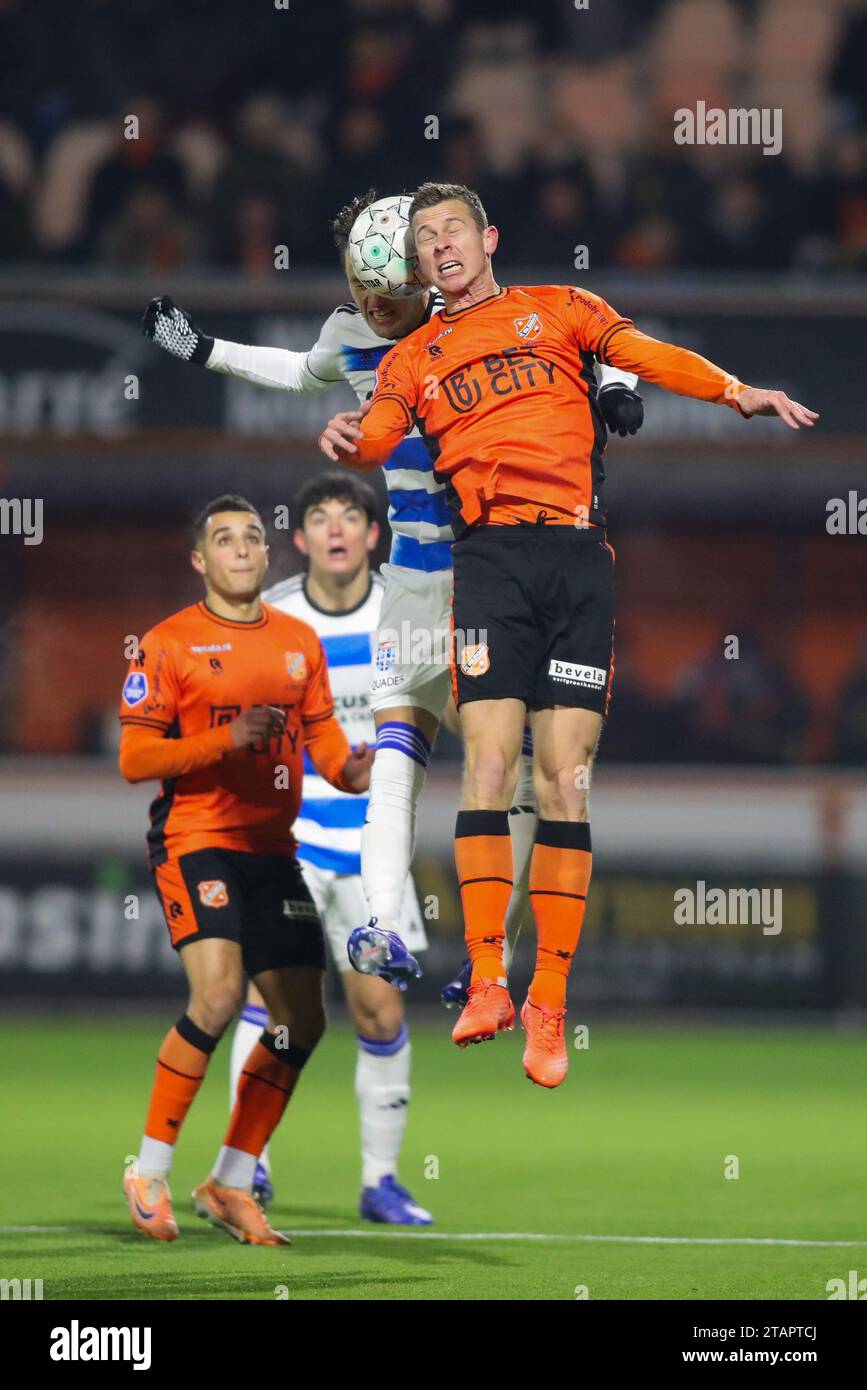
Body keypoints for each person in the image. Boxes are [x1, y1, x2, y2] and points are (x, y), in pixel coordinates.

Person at [318, 179, 818, 1089]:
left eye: (453, 230)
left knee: (563, 783)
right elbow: (379, 434)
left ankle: (548, 1001)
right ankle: (484, 979)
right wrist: (348, 439)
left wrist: (735, 392)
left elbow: (648, 354)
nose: (441, 246)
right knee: (485, 766)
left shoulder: (561, 309)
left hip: (577, 561)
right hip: (491, 564)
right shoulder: (411, 357)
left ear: (487, 237)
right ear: (419, 261)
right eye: (426, 237)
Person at [140, 189, 645, 1004]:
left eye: (393, 298)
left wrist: (617, 385)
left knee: (515, 774)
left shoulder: (475, 318)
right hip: (415, 577)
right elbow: (301, 371)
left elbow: (594, 332)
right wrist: (199, 348)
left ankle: (491, 961)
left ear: (424, 280)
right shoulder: (349, 333)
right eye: (364, 295)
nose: (377, 311)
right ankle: (382, 922)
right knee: (398, 752)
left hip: (502, 566)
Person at [119, 495, 372, 1243]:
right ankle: (148, 1170)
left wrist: (350, 768)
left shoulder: (298, 641)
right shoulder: (166, 645)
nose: (241, 549)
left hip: (272, 850)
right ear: (199, 560)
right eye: (223, 540)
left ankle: (229, 1182)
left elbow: (322, 736)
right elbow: (136, 758)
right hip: (197, 839)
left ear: (267, 556)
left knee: (303, 1020)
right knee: (220, 994)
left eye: (252, 538)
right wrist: (226, 739)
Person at [229, 471, 433, 1224]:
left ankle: (381, 1180)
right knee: (269, 1002)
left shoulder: (403, 615)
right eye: (321, 517)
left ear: (374, 535)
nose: (337, 528)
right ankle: (246, 1167)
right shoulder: (274, 616)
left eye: (351, 516)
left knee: (377, 1014)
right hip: (290, 841)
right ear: (302, 537)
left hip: (373, 847)